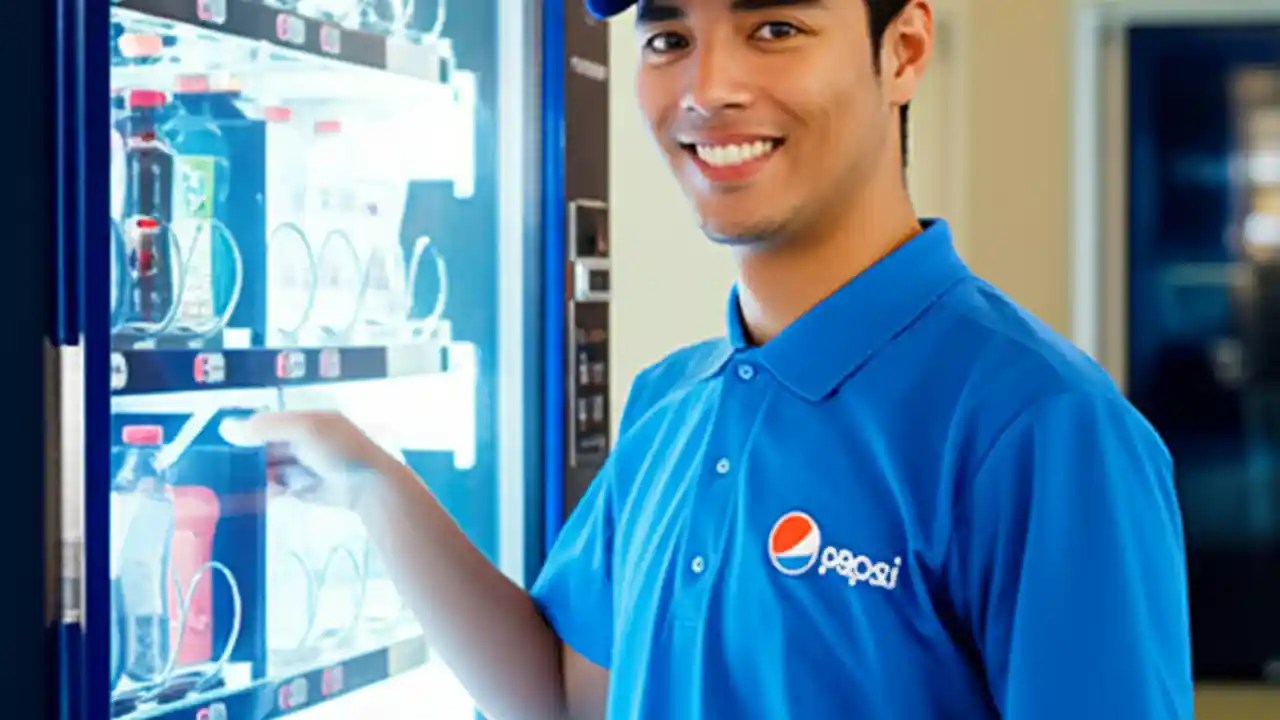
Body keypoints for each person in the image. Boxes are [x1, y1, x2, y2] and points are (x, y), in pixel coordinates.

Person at [227, 0, 1195, 717]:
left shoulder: (1042, 432)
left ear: (899, 51)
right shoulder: (668, 406)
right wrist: (368, 482)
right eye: (667, 38)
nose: (706, 90)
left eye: (773, 27)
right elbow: (566, 699)